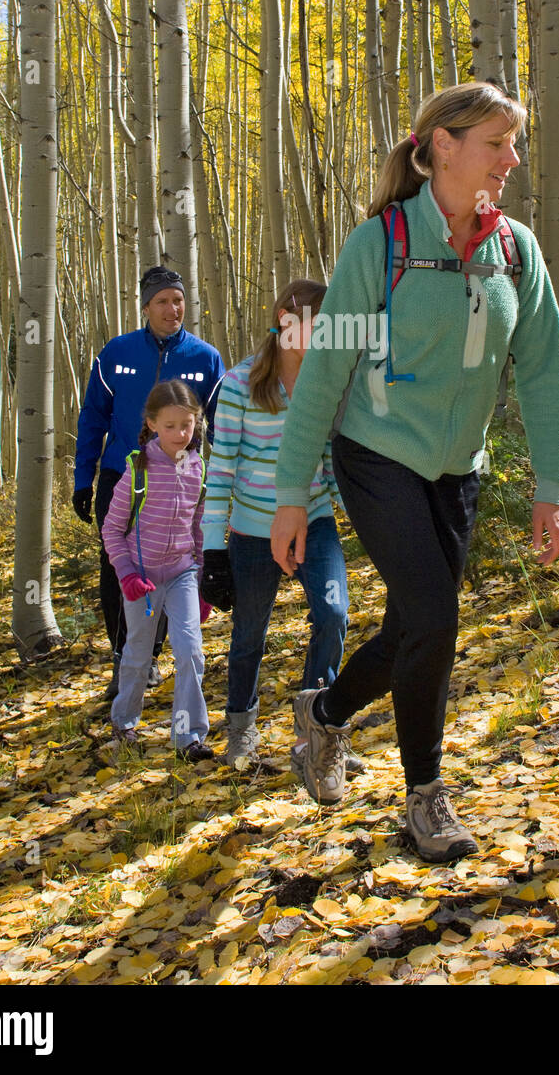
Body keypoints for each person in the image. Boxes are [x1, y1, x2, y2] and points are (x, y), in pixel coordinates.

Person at [271, 81, 559, 864]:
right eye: (496, 143)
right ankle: (425, 796)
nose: (510, 160)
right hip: (376, 455)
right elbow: (326, 370)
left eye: (513, 144)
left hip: (457, 470)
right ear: (442, 145)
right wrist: (290, 496)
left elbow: (543, 372)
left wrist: (551, 488)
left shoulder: (514, 250)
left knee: (413, 624)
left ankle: (326, 711)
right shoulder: (379, 244)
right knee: (436, 615)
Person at [200, 280, 353, 772]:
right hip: (252, 530)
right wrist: (213, 550)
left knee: (333, 615)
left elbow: (329, 459)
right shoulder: (241, 384)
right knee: (248, 635)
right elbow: (220, 470)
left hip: (315, 519)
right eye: (319, 323)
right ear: (287, 321)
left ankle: (318, 732)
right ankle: (241, 733)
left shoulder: (325, 382)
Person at [73, 266, 224, 697]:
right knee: (117, 566)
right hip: (123, 477)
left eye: (178, 300)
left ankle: (151, 655)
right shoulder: (116, 354)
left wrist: (231, 481)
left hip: (179, 483)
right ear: (146, 306)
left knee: (173, 566)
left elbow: (224, 426)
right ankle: (124, 656)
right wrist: (85, 479)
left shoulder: (205, 358)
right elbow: (93, 418)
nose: (172, 309)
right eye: (162, 301)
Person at [102, 380, 211, 758]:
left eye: (188, 424)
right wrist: (127, 574)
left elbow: (199, 528)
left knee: (190, 651)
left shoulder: (199, 468)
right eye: (170, 426)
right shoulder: (138, 470)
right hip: (141, 579)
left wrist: (202, 582)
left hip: (182, 574)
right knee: (138, 653)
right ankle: (124, 725)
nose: (181, 434)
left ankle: (188, 736)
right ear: (151, 424)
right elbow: (112, 530)